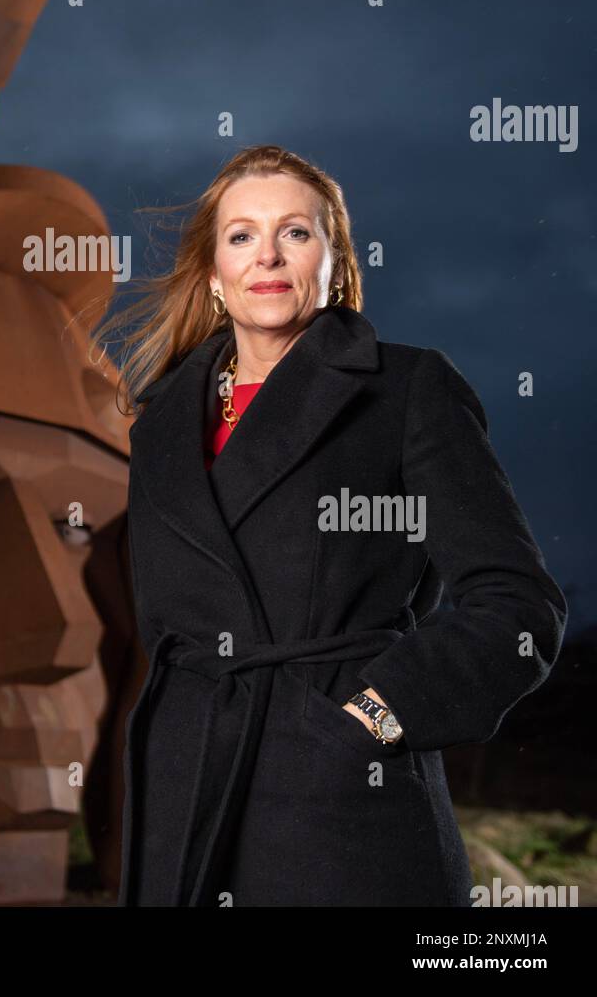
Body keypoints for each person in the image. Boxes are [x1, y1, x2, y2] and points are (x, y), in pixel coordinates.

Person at [101, 144, 568, 907]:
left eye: (297, 232)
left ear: (336, 261)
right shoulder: (157, 426)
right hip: (183, 792)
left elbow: (518, 605)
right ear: (215, 275)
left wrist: (377, 718)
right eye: (242, 235)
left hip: (340, 802)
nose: (269, 256)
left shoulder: (406, 389)